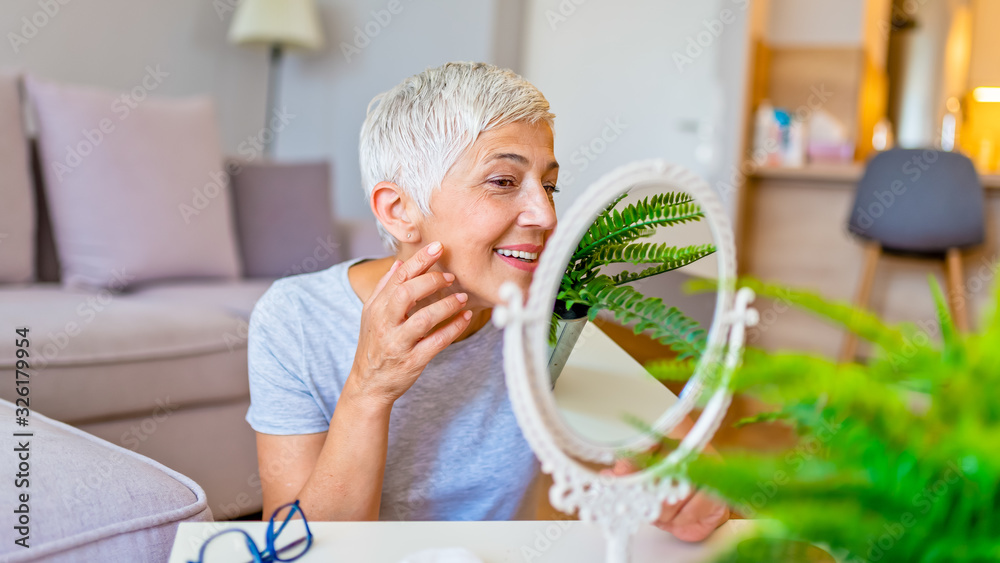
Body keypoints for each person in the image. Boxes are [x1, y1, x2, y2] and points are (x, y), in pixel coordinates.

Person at [246, 61, 729, 540]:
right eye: (503, 182)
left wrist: (697, 496)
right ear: (399, 211)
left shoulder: (546, 317)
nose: (545, 214)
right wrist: (369, 390)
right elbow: (296, 550)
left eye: (550, 185)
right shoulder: (296, 319)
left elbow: (686, 455)